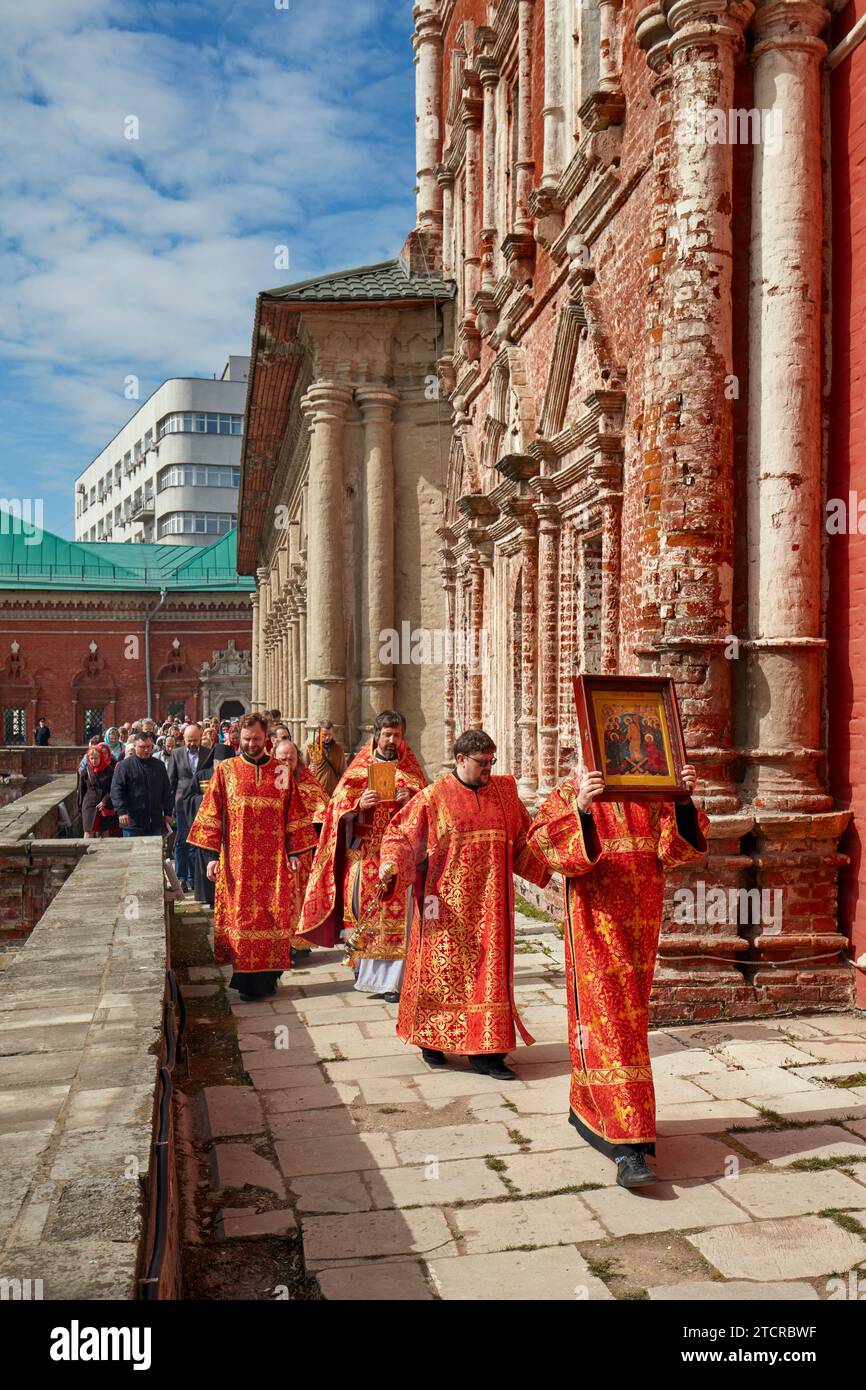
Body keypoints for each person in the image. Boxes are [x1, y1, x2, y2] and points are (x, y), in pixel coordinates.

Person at [525, 760, 707, 1188]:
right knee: (610, 1027)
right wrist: (583, 809)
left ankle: (590, 1107)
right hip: (594, 928)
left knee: (627, 1028)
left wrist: (684, 800)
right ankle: (629, 1147)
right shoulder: (573, 791)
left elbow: (679, 851)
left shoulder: (651, 795)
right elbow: (541, 848)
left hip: (640, 930)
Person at [378, 728, 551, 1079]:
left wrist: (560, 861)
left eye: (492, 761)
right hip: (444, 906)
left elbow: (524, 841)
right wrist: (391, 864)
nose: (488, 768)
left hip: (493, 908)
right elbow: (400, 834)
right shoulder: (433, 797)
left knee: (490, 977)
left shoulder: (505, 792)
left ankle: (488, 1055)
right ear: (460, 759)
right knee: (442, 975)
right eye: (481, 762)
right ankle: (431, 1041)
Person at [186, 713, 318, 1002]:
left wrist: (295, 852)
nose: (251, 744)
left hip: (274, 864)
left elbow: (294, 814)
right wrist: (210, 856)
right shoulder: (226, 771)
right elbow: (211, 815)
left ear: (266, 739)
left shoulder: (281, 772)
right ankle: (246, 982)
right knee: (243, 921)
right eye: (246, 739)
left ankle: (270, 977)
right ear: (238, 739)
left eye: (256, 739)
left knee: (272, 919)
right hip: (237, 864)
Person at [297, 711, 426, 1002]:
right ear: (377, 735)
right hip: (366, 852)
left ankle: (394, 983)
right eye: (387, 735)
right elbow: (336, 807)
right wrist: (357, 804)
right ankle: (364, 971)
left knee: (397, 918)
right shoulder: (360, 768)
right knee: (364, 914)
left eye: (397, 735)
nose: (392, 740)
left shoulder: (410, 768)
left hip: (398, 855)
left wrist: (413, 799)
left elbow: (427, 804)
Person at [273, 736, 329, 966]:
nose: (287, 763)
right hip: (276, 852)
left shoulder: (307, 780)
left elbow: (324, 807)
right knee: (281, 899)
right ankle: (282, 945)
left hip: (304, 853)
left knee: (300, 897)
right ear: (274, 758)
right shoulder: (270, 781)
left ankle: (300, 943)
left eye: (292, 758)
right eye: (283, 758)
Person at [168, 724, 214, 893]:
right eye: (188, 740)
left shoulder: (207, 753)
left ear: (201, 738)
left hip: (201, 804)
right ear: (183, 739)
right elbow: (171, 781)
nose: (191, 744)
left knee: (198, 842)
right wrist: (169, 807)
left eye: (195, 740)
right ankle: (181, 877)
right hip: (181, 804)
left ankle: (195, 878)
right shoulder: (176, 754)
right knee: (182, 841)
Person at [110, 730, 173, 838]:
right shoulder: (124, 766)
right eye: (142, 747)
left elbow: (166, 790)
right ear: (134, 746)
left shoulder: (159, 766)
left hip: (155, 822)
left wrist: (168, 812)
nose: (147, 750)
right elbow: (117, 790)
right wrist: (121, 811)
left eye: (149, 746)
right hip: (132, 822)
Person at [77, 743, 119, 838]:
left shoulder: (109, 770)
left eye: (96, 758)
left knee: (104, 831)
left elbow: (112, 788)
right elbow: (81, 791)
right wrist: (80, 807)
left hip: (105, 805)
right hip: (89, 804)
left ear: (101, 757)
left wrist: (105, 801)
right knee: (88, 831)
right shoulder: (85, 771)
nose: (94, 761)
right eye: (91, 758)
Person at [305, 719, 346, 797]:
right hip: (317, 792)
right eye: (324, 735)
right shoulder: (312, 748)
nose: (327, 737)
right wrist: (309, 769)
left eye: (330, 734)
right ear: (318, 733)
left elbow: (343, 771)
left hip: (334, 793)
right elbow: (303, 770)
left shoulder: (338, 749)